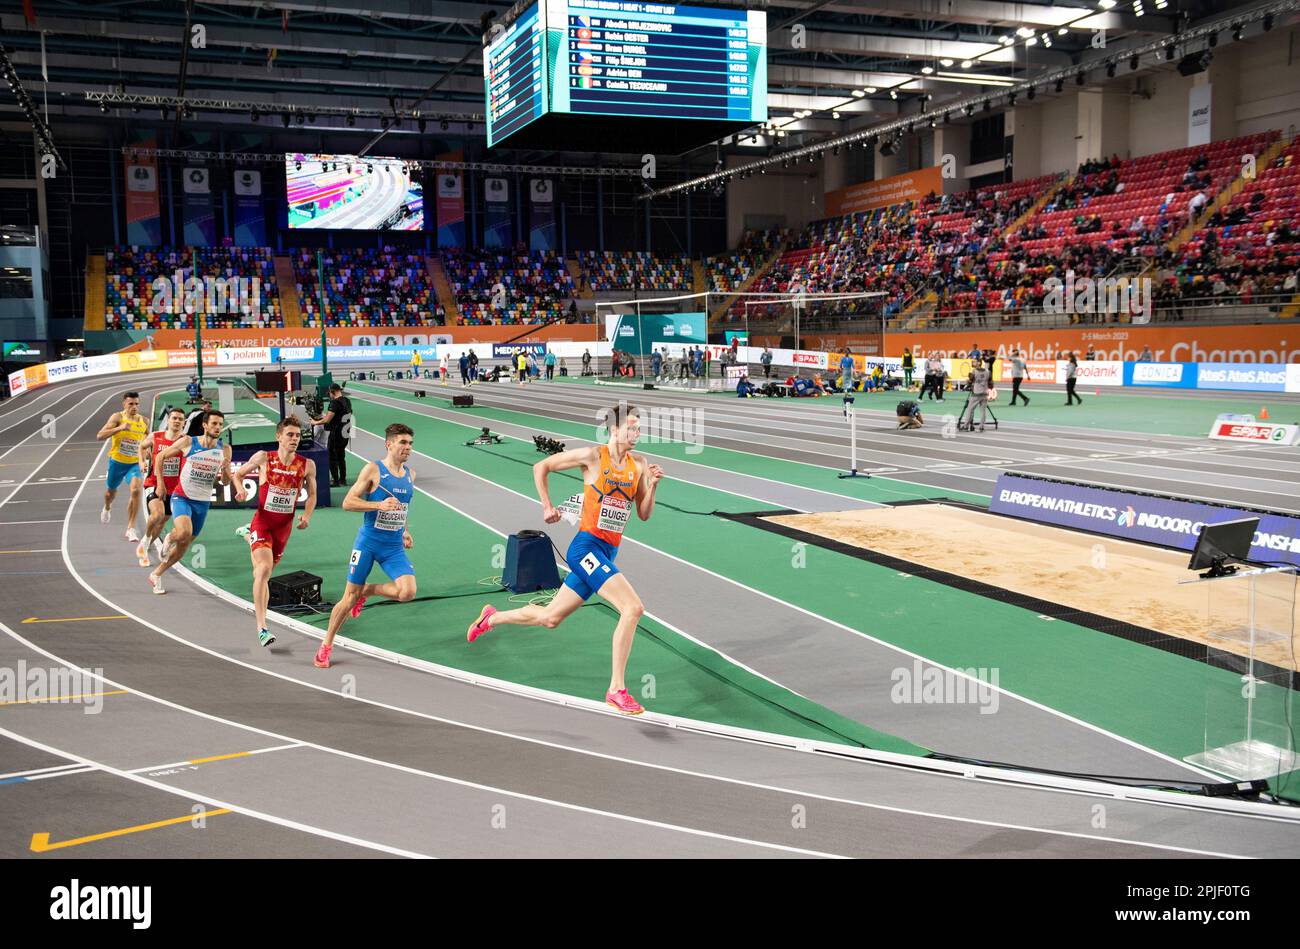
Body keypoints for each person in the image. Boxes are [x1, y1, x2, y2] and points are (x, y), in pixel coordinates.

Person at [466, 404, 665, 715]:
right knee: (632, 608)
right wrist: (547, 505)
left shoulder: (638, 464)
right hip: (585, 549)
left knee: (550, 618)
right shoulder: (592, 456)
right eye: (631, 427)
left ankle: (490, 618)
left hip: (607, 551)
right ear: (614, 429)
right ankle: (616, 689)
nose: (637, 433)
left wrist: (652, 487)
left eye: (639, 428)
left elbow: (644, 513)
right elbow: (541, 467)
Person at [314, 423, 417, 669]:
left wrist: (405, 530)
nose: (408, 448)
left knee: (408, 592)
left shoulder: (410, 475)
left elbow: (401, 507)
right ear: (389, 444)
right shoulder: (373, 470)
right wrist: (377, 505)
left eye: (410, 443)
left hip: (393, 546)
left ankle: (367, 591)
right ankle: (326, 645)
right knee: (348, 598)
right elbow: (348, 502)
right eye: (403, 442)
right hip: (368, 543)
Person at [231, 417, 317, 648]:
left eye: (297, 435)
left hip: (283, 529)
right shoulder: (263, 458)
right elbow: (237, 475)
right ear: (279, 436)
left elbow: (312, 494)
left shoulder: (307, 465)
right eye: (290, 435)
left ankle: (248, 535)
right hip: (263, 522)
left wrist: (307, 516)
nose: (294, 439)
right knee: (263, 570)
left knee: (263, 572)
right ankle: (262, 627)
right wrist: (240, 490)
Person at [148, 409, 245, 595]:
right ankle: (169, 537)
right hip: (182, 497)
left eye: (220, 424)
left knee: (184, 545)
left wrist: (225, 469)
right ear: (205, 425)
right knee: (184, 532)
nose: (218, 427)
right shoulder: (188, 442)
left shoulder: (225, 449)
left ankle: (157, 574)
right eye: (214, 423)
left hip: (202, 502)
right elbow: (160, 457)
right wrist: (160, 483)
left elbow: (225, 482)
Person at [136, 406, 187, 568]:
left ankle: (147, 544)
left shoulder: (185, 441)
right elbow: (141, 446)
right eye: (174, 418)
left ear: (184, 423)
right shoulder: (156, 436)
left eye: (180, 419)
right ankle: (145, 540)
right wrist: (141, 461)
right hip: (154, 483)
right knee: (157, 514)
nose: (177, 421)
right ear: (168, 420)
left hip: (175, 488)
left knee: (162, 521)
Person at [96, 391, 150, 542]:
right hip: (117, 463)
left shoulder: (144, 421)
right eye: (131, 404)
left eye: (136, 404)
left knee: (136, 490)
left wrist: (146, 451)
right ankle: (107, 506)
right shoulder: (117, 417)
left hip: (134, 464)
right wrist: (119, 428)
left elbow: (147, 438)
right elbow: (100, 435)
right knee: (110, 493)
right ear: (124, 404)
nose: (134, 407)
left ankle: (131, 528)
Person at [311, 383, 353, 487]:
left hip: (336, 433)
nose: (329, 395)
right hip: (345, 432)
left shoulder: (334, 403)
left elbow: (327, 419)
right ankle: (342, 479)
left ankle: (335, 480)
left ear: (332, 392)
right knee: (341, 456)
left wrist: (315, 422)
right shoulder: (347, 401)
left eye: (329, 393)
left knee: (331, 456)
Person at [961, 360, 991, 432]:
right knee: (983, 411)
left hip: (976, 394)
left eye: (975, 362)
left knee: (970, 410)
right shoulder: (987, 371)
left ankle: (966, 426)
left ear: (979, 363)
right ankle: (981, 426)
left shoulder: (974, 371)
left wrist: (968, 382)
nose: (973, 363)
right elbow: (990, 383)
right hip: (985, 393)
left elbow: (970, 381)